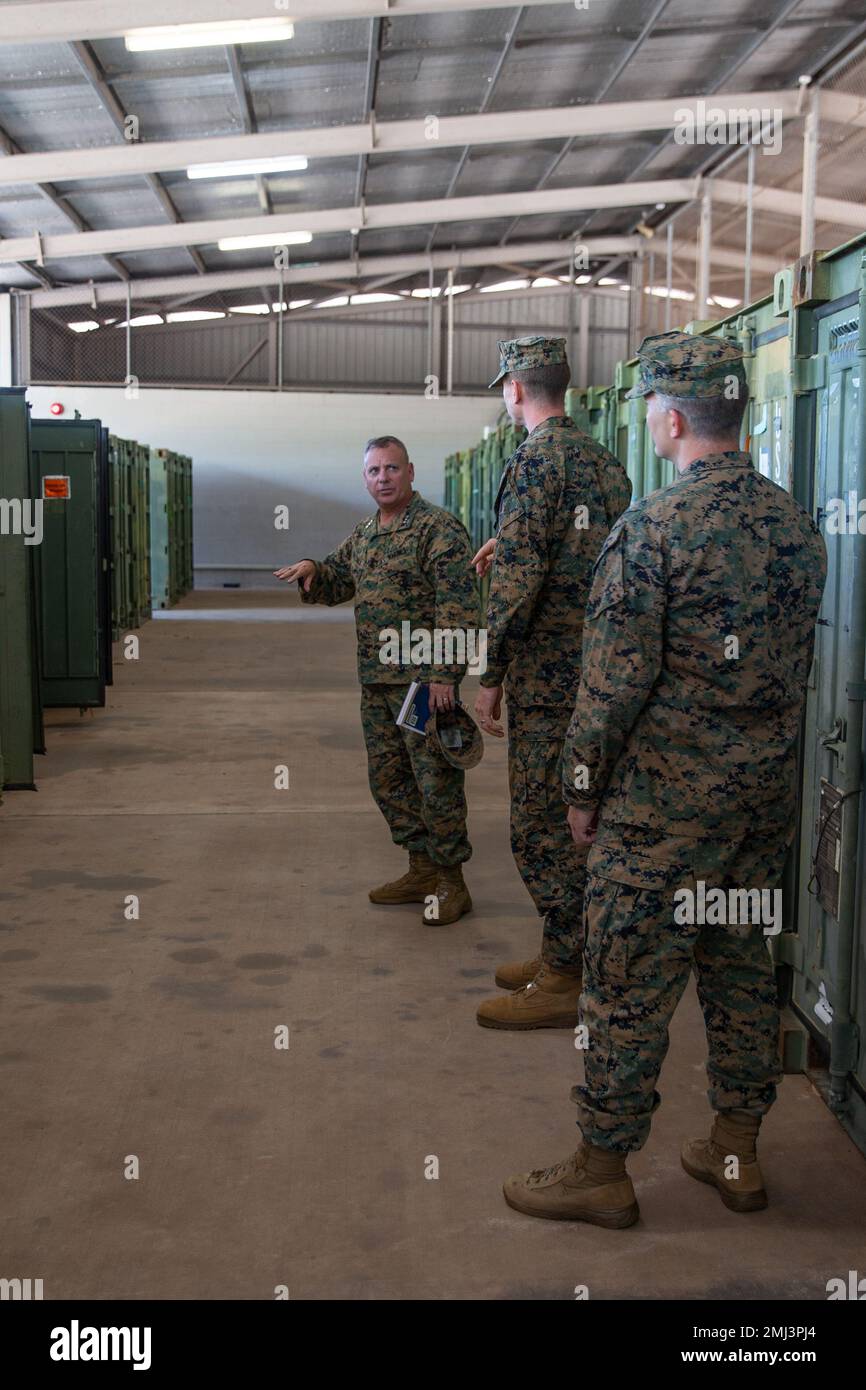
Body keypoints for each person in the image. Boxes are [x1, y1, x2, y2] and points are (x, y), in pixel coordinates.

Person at [502, 331, 827, 1226]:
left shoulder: (651, 531)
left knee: (627, 984)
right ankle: (736, 1150)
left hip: (661, 815)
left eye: (653, 407)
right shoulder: (798, 528)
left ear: (672, 418)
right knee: (739, 971)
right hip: (761, 811)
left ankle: (603, 1166)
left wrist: (578, 790)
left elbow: (609, 688)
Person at [472, 336, 631, 1029]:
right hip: (599, 675)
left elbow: (518, 583)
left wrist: (491, 675)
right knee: (580, 822)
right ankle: (563, 952)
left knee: (539, 830)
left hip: (546, 679)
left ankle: (567, 978)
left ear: (514, 387)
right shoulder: (605, 462)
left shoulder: (534, 461)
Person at [275, 435, 479, 925]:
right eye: (373, 471)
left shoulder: (438, 530)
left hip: (422, 685)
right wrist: (312, 570)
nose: (382, 478)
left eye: (391, 469)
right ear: (364, 478)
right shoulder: (366, 533)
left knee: (435, 780)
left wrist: (445, 677)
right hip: (377, 682)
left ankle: (453, 881)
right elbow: (340, 577)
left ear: (410, 473)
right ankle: (421, 867)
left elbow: (459, 605)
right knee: (389, 780)